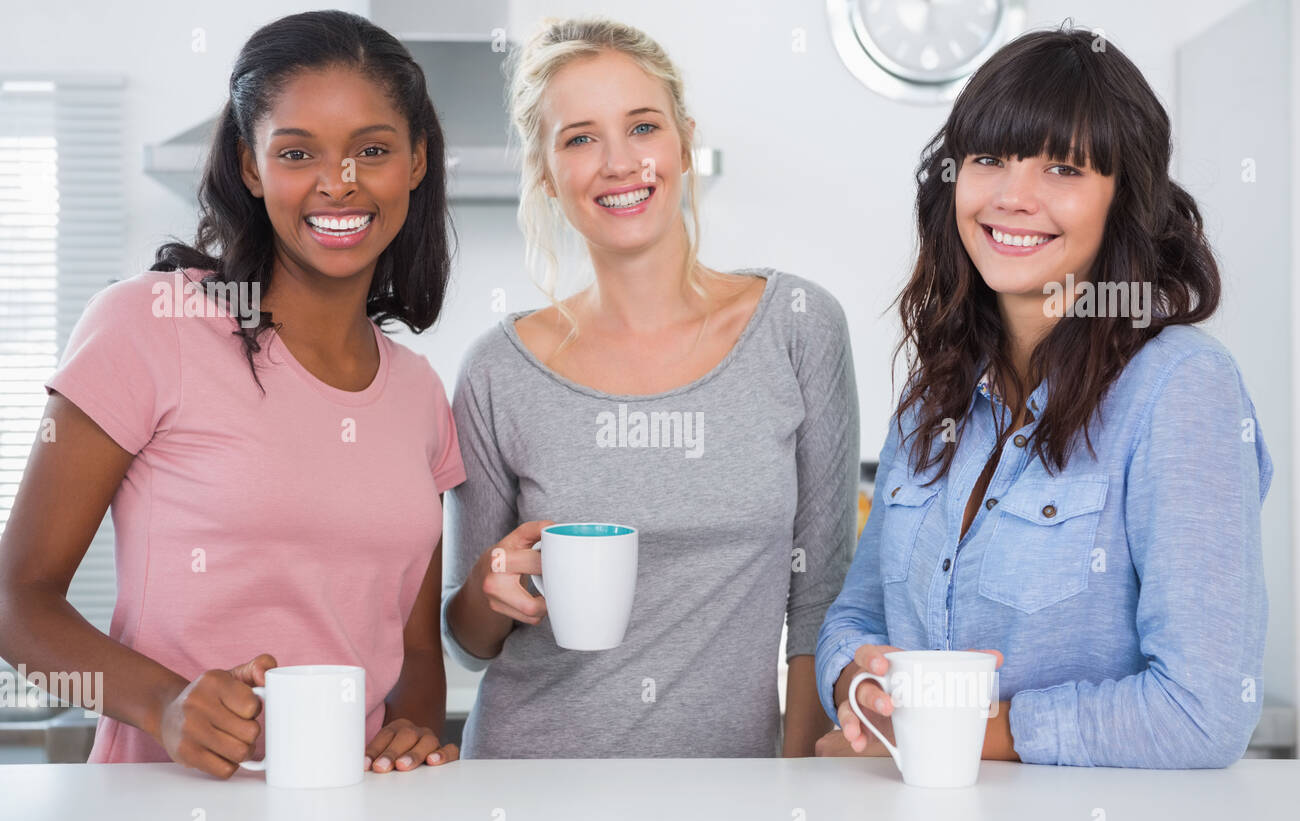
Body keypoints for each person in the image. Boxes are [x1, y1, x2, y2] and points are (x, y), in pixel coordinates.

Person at [0, 11, 463, 777]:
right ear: (251, 168)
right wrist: (165, 705)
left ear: (415, 161)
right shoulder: (148, 325)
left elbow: (414, 650)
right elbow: (18, 601)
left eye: (372, 150)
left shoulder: (419, 394)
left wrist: (409, 731)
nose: (337, 182)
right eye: (296, 152)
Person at [815, 26, 1271, 769]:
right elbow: (858, 612)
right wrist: (857, 682)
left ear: (1124, 199)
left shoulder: (1181, 389)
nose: (1014, 197)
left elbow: (1203, 709)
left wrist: (954, 734)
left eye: (1063, 168)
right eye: (989, 159)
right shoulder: (933, 394)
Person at [442, 17, 859, 758]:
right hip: (527, 790)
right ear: (544, 170)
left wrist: (799, 793)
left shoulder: (798, 327)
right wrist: (487, 584)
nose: (618, 162)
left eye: (642, 127)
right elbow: (472, 639)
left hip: (731, 799)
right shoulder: (497, 371)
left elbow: (820, 596)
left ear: (682, 139)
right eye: (579, 138)